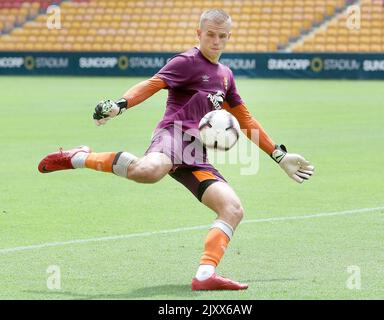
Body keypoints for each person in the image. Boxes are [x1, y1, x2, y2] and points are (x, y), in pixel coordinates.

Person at [38, 9, 314, 290]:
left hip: (196, 154)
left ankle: (205, 276)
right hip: (173, 135)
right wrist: (120, 105)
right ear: (199, 33)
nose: (216, 41)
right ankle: (79, 157)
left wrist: (278, 155)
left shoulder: (226, 76)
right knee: (148, 171)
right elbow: (153, 84)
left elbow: (245, 119)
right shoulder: (186, 62)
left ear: (229, 37)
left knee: (232, 209)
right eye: (210, 34)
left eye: (222, 36)